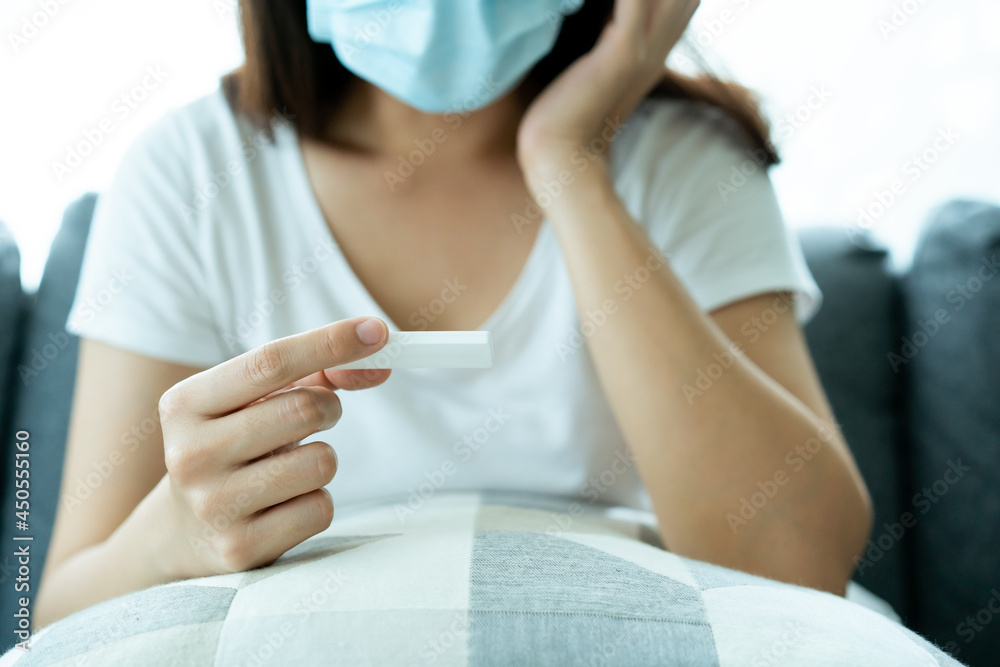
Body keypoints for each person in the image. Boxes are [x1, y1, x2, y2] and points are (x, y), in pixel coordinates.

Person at [34, 0, 873, 629]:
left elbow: (795, 559)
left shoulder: (683, 158)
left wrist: (568, 164)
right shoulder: (190, 173)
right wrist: (175, 534)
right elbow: (64, 613)